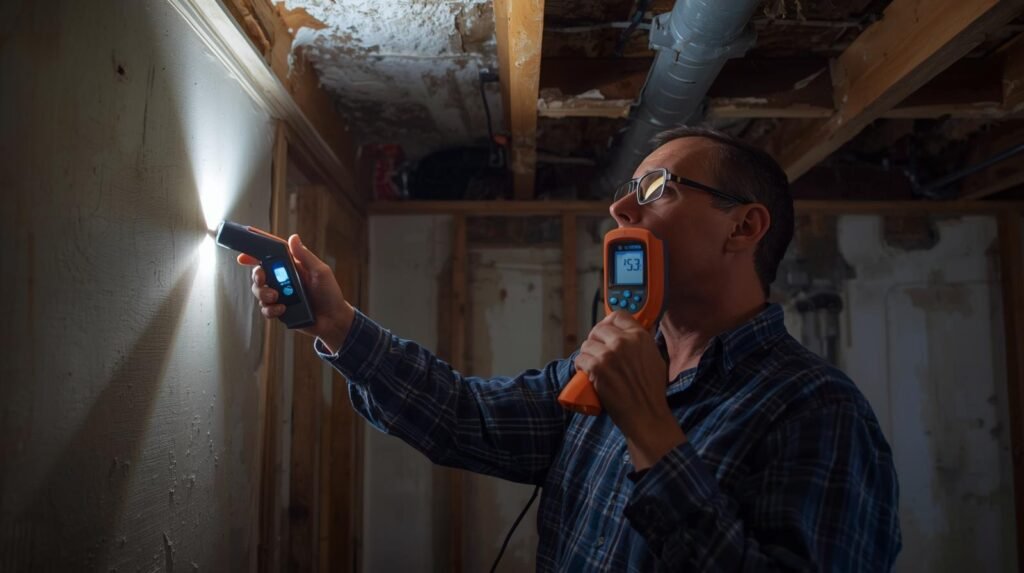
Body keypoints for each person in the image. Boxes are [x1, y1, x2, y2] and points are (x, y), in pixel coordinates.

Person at [239, 126, 901, 571]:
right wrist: (337, 322)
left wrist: (651, 432)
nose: (621, 210)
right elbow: (462, 416)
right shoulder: (602, 372)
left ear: (744, 226)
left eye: (653, 189)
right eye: (624, 192)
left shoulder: (819, 413)